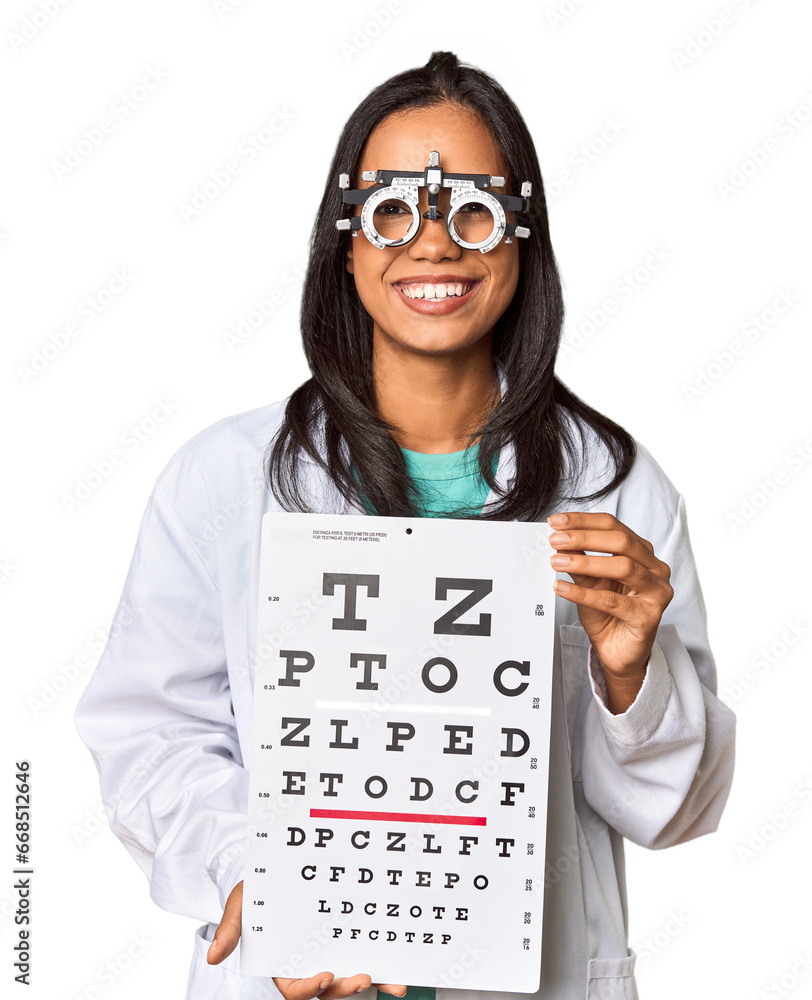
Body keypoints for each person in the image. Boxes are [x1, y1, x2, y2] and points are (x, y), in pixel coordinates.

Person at [75, 51, 736, 1000]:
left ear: (521, 237)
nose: (433, 245)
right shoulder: (221, 481)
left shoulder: (616, 490)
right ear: (345, 242)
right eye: (392, 210)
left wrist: (632, 674)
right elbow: (148, 731)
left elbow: (666, 812)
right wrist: (258, 880)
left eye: (471, 210)